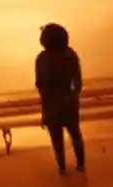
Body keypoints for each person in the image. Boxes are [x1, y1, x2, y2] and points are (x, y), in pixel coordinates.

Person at [36, 23, 85, 175]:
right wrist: (73, 96)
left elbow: (41, 87)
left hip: (52, 103)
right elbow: (78, 82)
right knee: (75, 134)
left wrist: (44, 111)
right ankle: (81, 164)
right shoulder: (70, 54)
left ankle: (62, 167)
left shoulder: (42, 58)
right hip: (68, 101)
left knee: (57, 138)